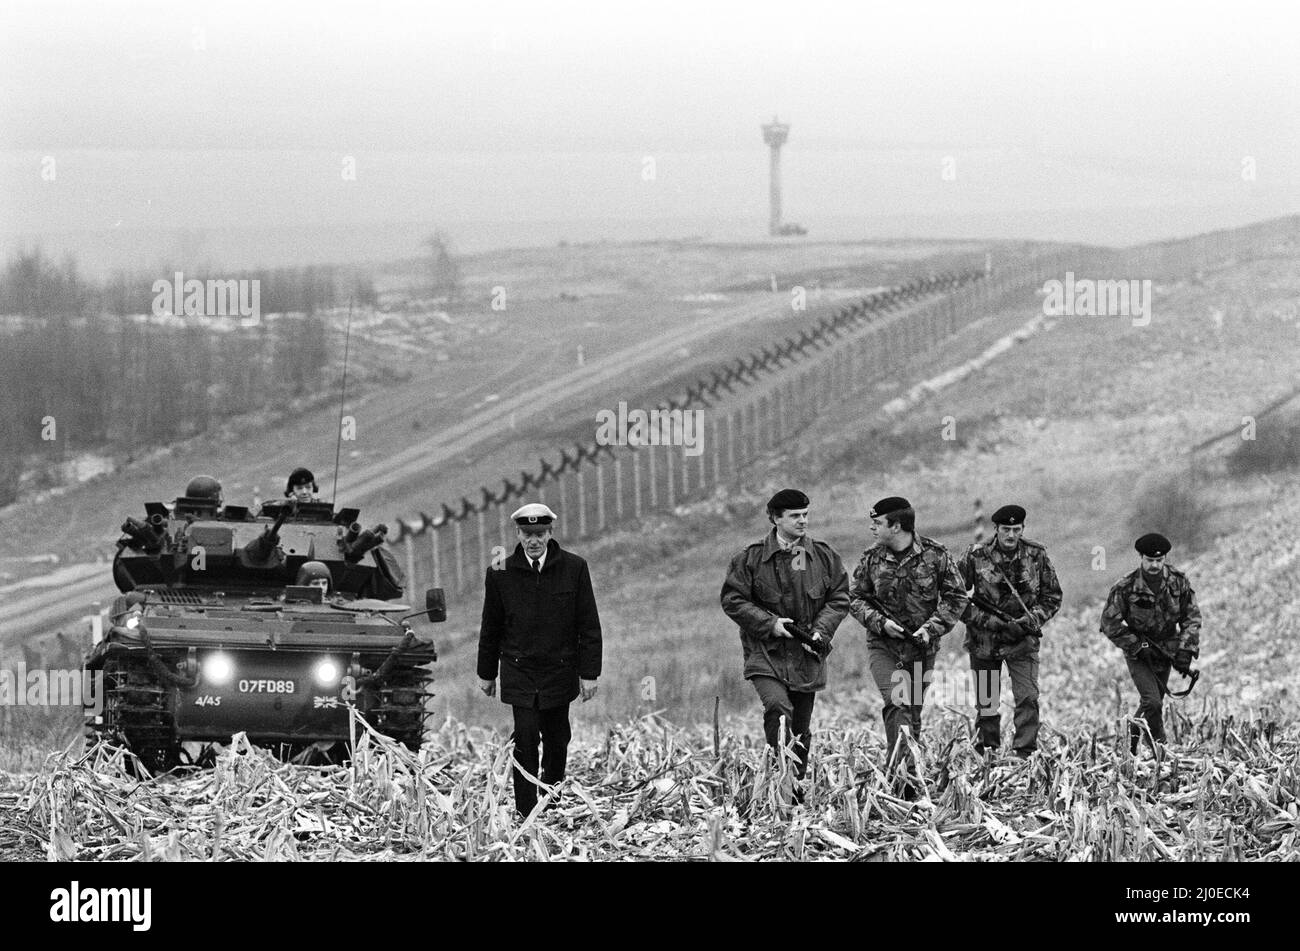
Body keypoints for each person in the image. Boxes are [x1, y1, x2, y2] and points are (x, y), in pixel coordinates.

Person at [720, 488, 849, 797]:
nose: (802, 521)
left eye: (805, 515)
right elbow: (733, 599)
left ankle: (796, 785)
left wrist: (821, 631)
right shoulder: (750, 559)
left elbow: (840, 597)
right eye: (794, 516)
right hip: (765, 652)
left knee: (801, 729)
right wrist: (771, 625)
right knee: (778, 709)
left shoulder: (823, 556)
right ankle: (780, 781)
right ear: (775, 519)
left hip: (807, 655)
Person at [477, 502, 603, 819]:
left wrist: (589, 673)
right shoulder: (500, 573)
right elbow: (490, 627)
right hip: (519, 669)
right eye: (528, 534)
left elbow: (588, 624)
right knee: (526, 736)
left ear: (550, 533)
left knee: (558, 739)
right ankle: (526, 809)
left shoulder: (574, 568)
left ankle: (551, 796)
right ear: (518, 534)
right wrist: (486, 673)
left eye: (540, 533)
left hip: (560, 670)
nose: (534, 540)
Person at [848, 496, 968, 763]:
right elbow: (854, 598)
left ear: (896, 526)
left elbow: (956, 598)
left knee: (911, 713)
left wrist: (930, 628)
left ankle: (909, 774)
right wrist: (880, 623)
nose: (872, 528)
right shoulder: (871, 558)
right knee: (897, 701)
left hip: (921, 648)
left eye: (877, 523)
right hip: (884, 646)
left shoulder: (936, 555)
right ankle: (899, 776)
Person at [957, 504, 1062, 758]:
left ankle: (1025, 753)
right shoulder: (975, 556)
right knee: (987, 703)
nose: (1011, 535)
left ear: (1023, 529)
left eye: (1016, 529)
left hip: (1022, 641)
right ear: (996, 529)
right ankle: (987, 753)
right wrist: (990, 621)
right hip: (984, 643)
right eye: (1006, 529)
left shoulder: (1036, 555)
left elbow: (1052, 596)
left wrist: (1029, 621)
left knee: (1027, 698)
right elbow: (955, 598)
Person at [1101, 532, 1202, 753]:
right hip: (1139, 652)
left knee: (1153, 703)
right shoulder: (1126, 586)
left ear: (1165, 558)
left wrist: (1186, 650)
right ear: (1141, 558)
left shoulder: (1178, 581)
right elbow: (1109, 623)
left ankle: (1131, 742)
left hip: (1166, 650)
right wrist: (1135, 645)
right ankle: (1161, 747)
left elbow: (1191, 617)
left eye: (1159, 560)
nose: (1155, 565)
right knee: (1153, 702)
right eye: (1150, 560)